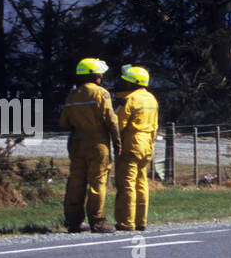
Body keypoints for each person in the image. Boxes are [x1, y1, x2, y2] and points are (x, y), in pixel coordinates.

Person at [60, 58, 121, 233]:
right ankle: (97, 222)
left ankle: (73, 222)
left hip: (77, 143)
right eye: (100, 74)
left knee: (76, 182)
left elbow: (64, 122)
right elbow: (111, 120)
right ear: (95, 76)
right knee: (97, 183)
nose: (101, 77)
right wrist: (117, 143)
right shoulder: (102, 94)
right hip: (98, 144)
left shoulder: (72, 95)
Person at [114, 66, 159, 232]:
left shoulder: (130, 99)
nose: (122, 83)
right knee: (141, 183)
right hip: (147, 145)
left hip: (132, 144)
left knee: (127, 184)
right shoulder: (151, 99)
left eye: (126, 81)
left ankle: (126, 223)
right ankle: (141, 221)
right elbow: (155, 125)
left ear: (132, 83)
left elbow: (119, 125)